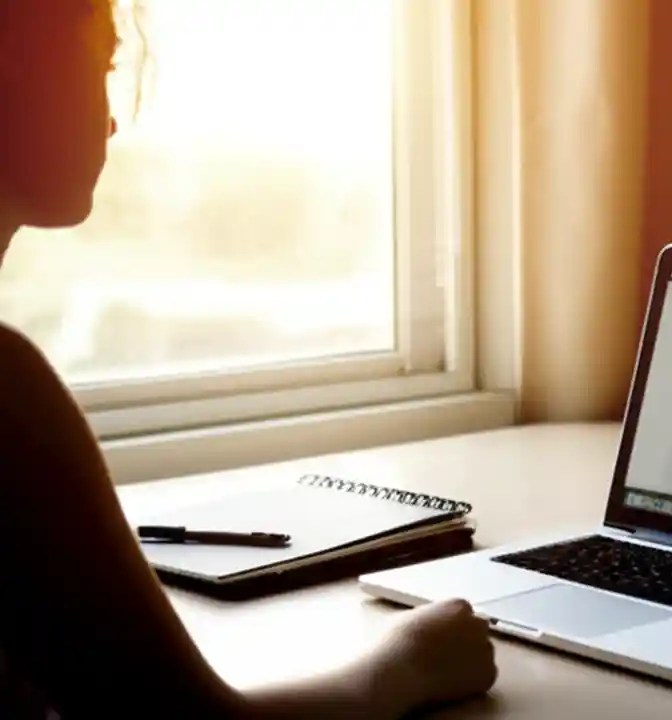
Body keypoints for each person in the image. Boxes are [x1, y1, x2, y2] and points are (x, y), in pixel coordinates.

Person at [0, 2, 497, 718]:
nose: (113, 119)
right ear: (13, 52)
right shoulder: (0, 395)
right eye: (101, 64)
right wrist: (407, 663)